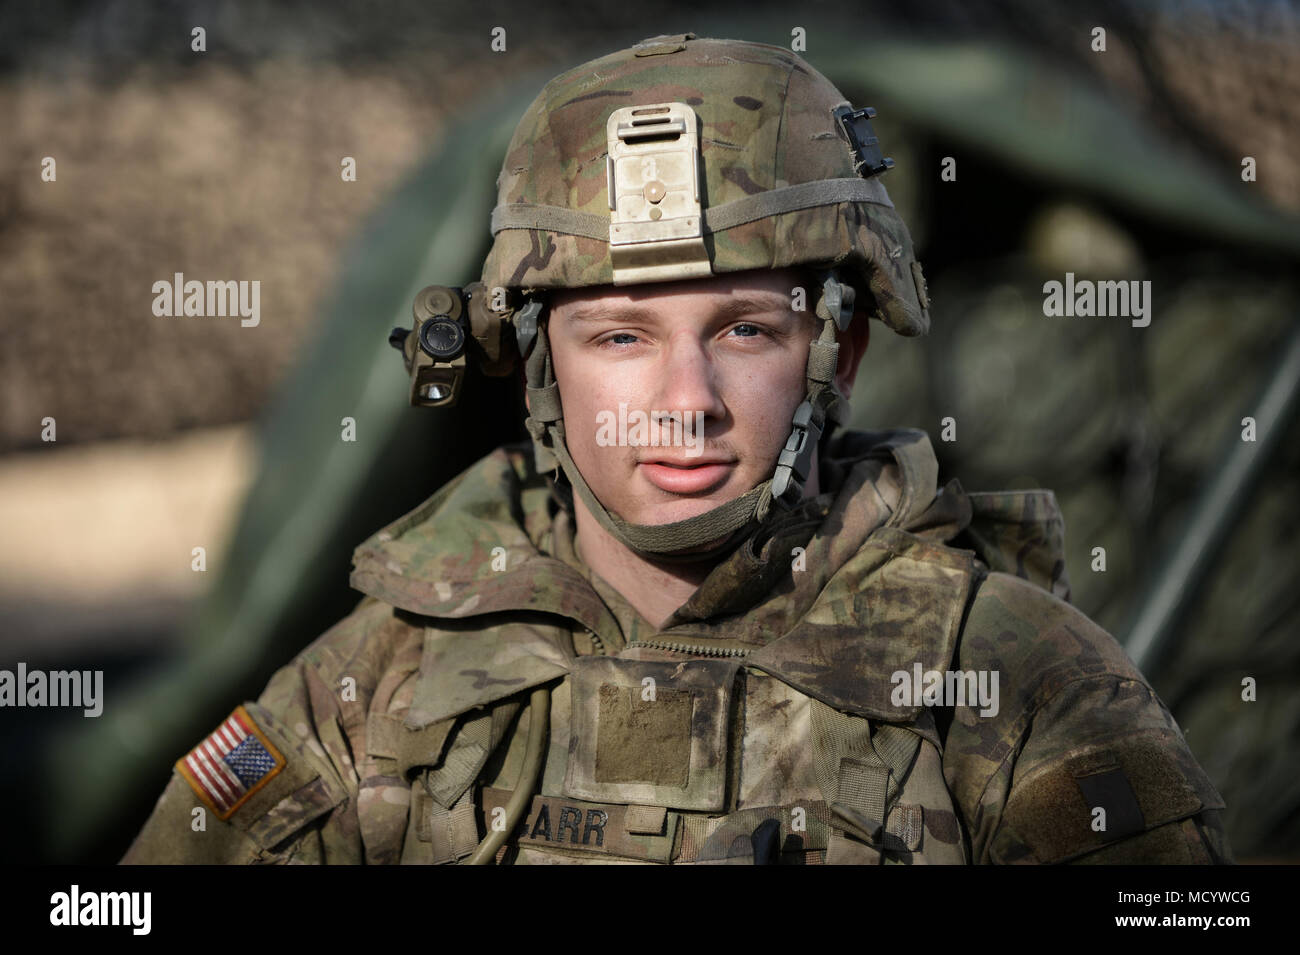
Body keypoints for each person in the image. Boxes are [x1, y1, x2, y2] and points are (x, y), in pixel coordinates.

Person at [122, 33, 1231, 865]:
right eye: (620, 337)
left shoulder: (1013, 675)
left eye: (744, 330)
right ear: (540, 371)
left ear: (833, 359)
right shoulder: (381, 675)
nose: (682, 402)